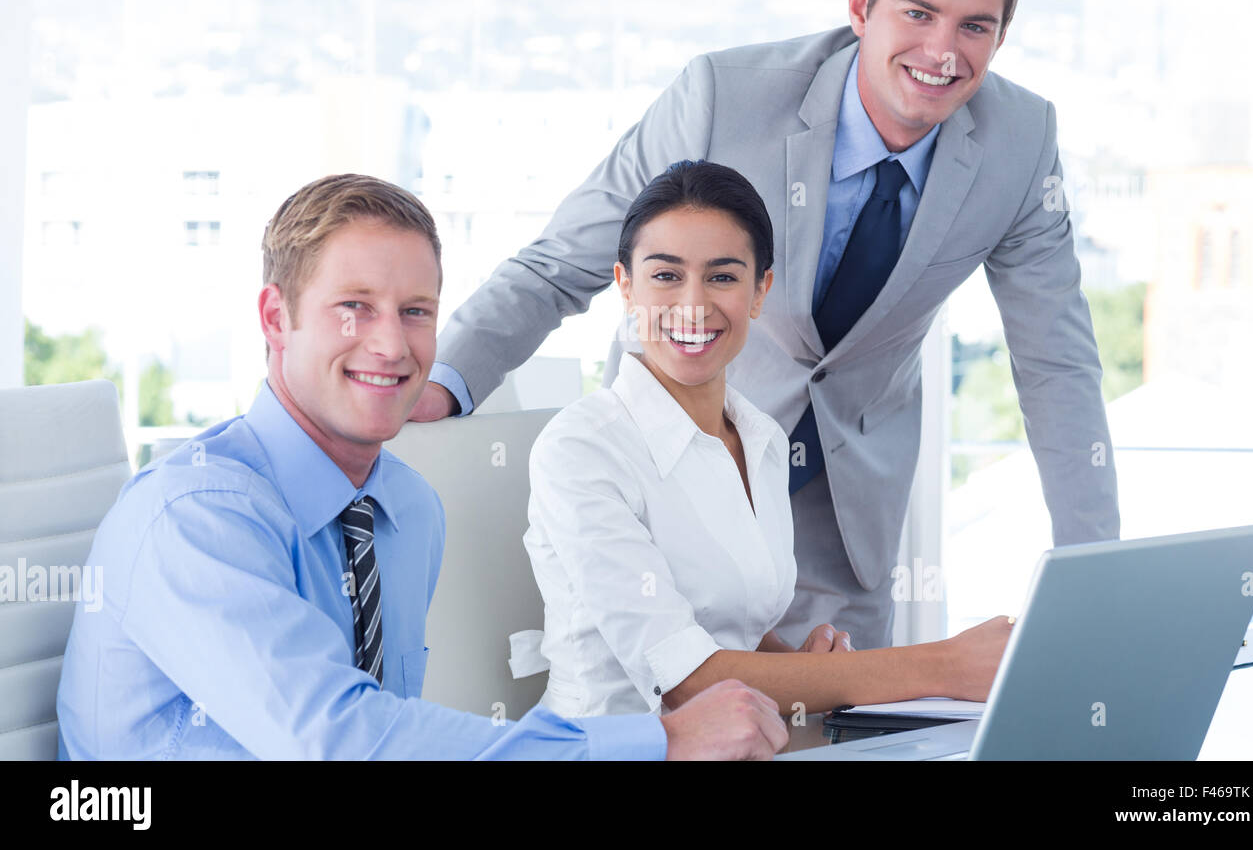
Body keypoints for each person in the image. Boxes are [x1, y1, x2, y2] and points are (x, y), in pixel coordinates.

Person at [412, 0, 1120, 650]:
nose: (943, 51)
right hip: (676, 472)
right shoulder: (723, 98)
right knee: (680, 694)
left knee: (848, 705)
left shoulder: (1021, 143)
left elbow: (1056, 366)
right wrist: (441, 385)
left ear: (1001, 36)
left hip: (843, 513)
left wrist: (1093, 577)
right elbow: (562, 262)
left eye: (974, 27)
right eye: (918, 14)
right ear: (861, 5)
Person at [55, 173, 787, 760]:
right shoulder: (196, 515)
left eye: (415, 311)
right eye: (354, 307)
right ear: (276, 318)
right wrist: (657, 742)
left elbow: (392, 727)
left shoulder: (405, 508)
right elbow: (344, 741)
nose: (390, 345)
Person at [520, 160, 1011, 717]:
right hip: (609, 746)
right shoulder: (582, 449)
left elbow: (737, 634)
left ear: (760, 292)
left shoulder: (762, 438)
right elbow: (684, 681)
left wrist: (809, 669)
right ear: (626, 287)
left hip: (739, 744)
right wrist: (944, 666)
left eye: (723, 277)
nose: (693, 305)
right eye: (666, 276)